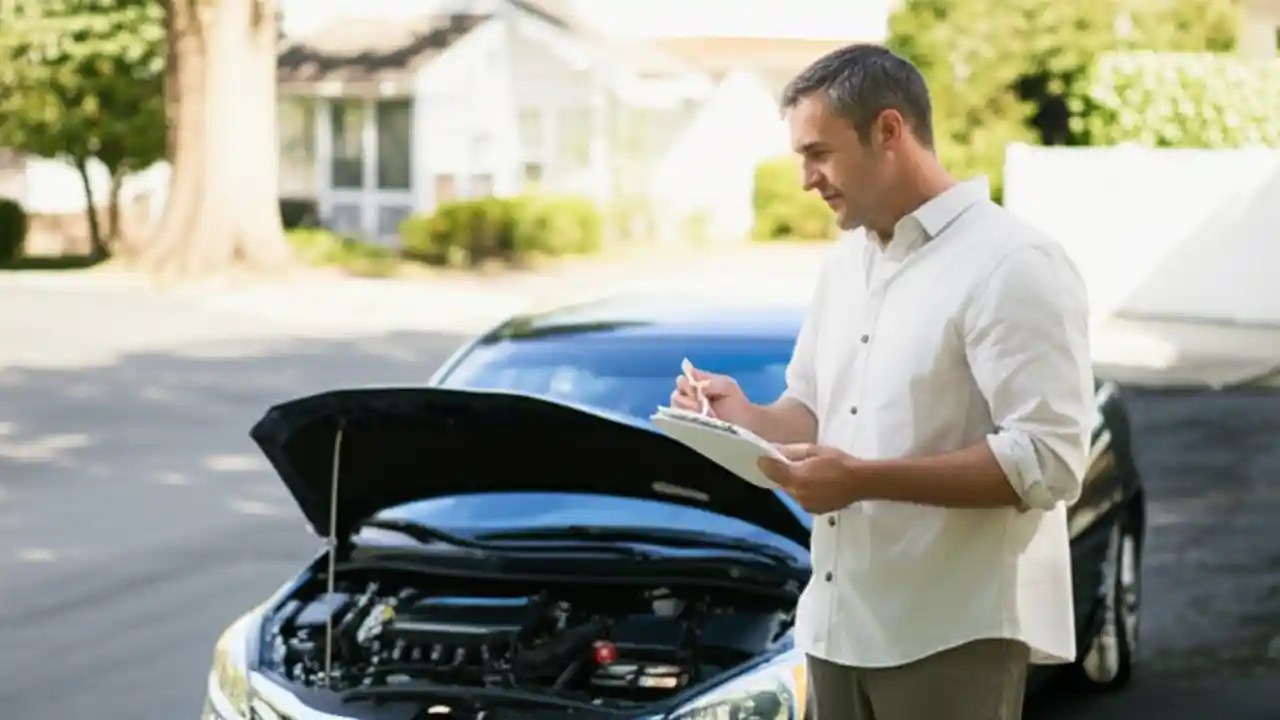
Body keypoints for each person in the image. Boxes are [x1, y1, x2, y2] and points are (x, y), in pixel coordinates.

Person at [670, 44, 1094, 719]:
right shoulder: (845, 264)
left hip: (950, 636)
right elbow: (809, 410)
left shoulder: (1014, 263)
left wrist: (864, 479)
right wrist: (742, 417)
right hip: (835, 629)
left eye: (820, 153)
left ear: (889, 131)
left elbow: (1047, 462)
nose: (807, 179)